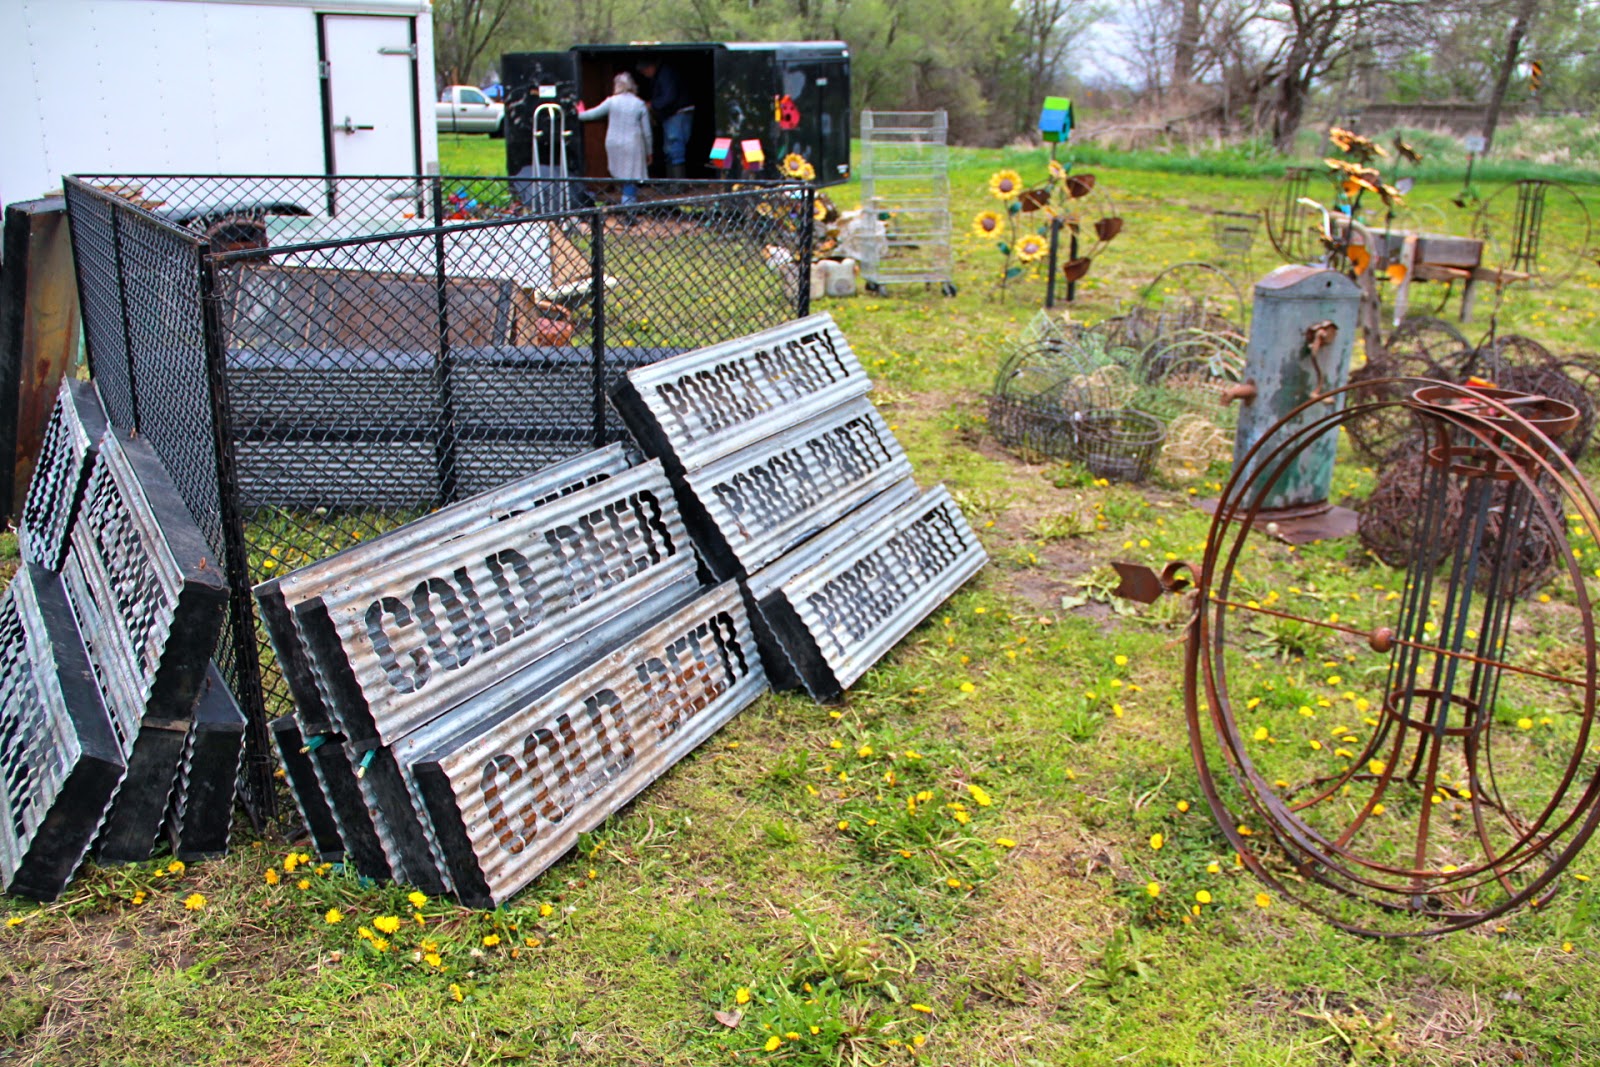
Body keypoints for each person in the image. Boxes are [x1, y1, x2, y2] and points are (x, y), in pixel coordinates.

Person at [577, 73, 652, 207]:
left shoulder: (611, 101)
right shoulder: (639, 104)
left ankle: (626, 203)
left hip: (613, 144)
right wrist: (649, 151)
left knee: (622, 175)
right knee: (631, 176)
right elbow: (647, 133)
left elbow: (590, 115)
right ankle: (628, 208)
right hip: (632, 144)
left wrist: (580, 111)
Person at [637, 59, 693, 182]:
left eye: (644, 71)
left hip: (677, 113)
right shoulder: (663, 74)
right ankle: (672, 183)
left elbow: (669, 97)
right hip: (672, 114)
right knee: (669, 150)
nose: (644, 75)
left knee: (675, 147)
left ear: (650, 67)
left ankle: (678, 184)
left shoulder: (666, 74)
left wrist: (652, 105)